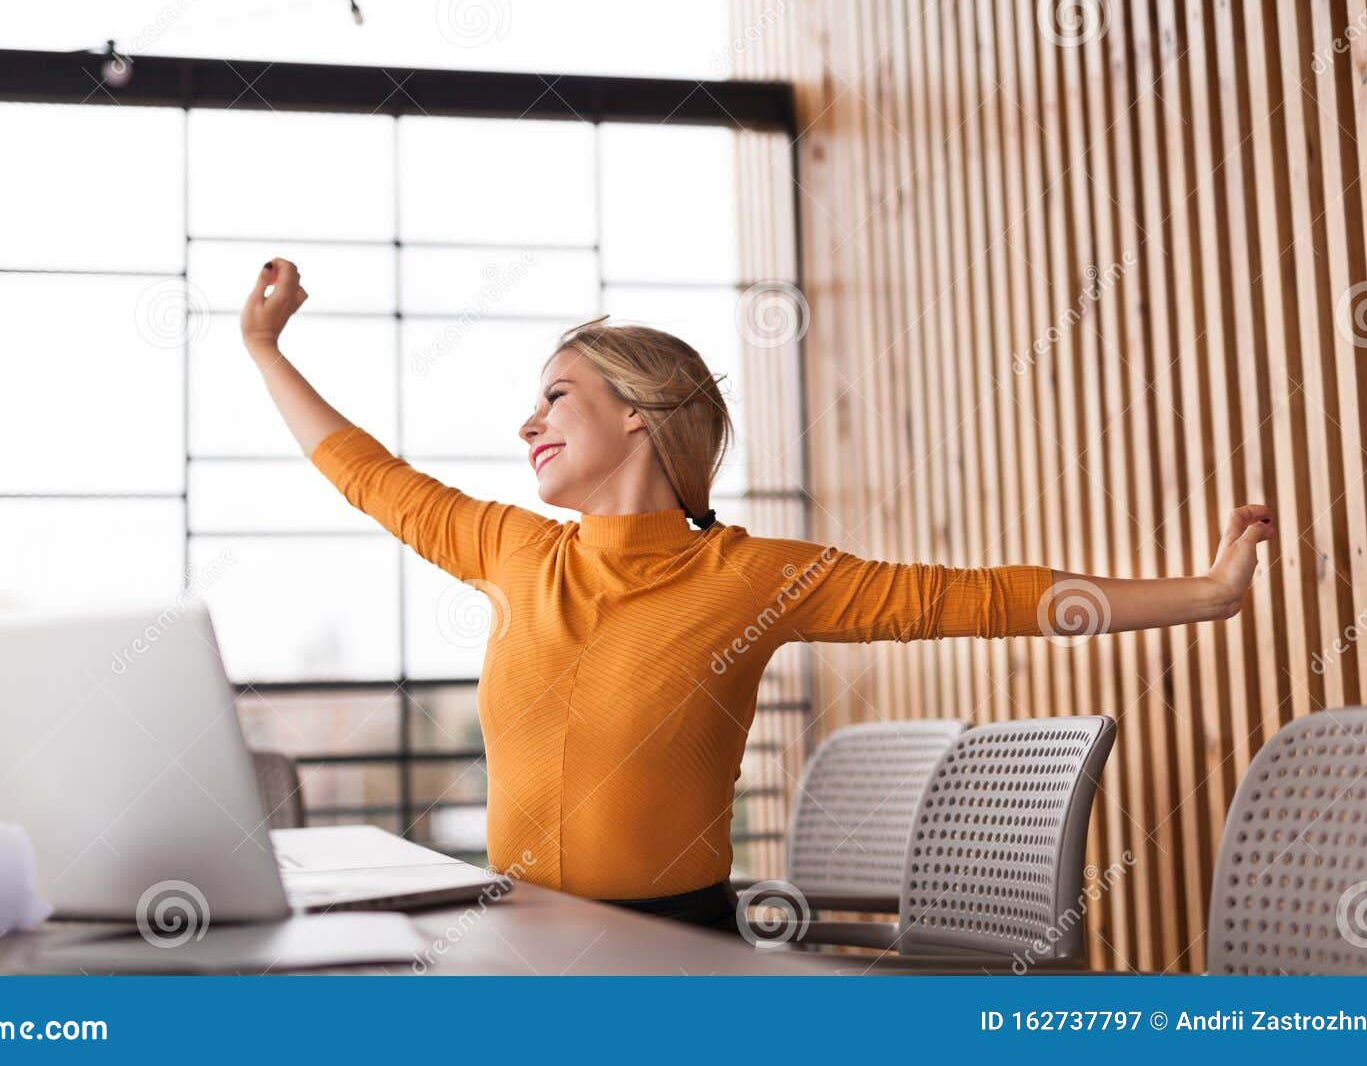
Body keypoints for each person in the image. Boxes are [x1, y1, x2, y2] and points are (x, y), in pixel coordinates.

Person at [242, 257, 1275, 935]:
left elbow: (972, 598)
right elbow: (367, 473)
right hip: (515, 932)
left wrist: (1209, 591)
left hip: (676, 944)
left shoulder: (746, 577)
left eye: (554, 394)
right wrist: (263, 347)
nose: (528, 423)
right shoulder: (515, 548)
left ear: (639, 413)